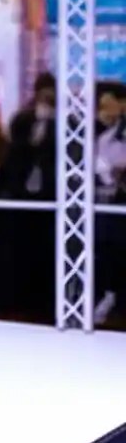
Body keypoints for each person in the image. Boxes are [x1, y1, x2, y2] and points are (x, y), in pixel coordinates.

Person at [94, 83, 126, 325]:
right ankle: (109, 295)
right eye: (101, 106)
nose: (105, 110)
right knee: (108, 249)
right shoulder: (103, 138)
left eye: (109, 105)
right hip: (110, 202)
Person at [3, 72, 58, 201]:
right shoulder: (21, 119)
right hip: (22, 180)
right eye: (43, 95)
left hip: (51, 183)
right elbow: (14, 150)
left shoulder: (65, 122)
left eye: (50, 95)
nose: (47, 99)